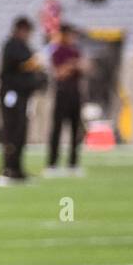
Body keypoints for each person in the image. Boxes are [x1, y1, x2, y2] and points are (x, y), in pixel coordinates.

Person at [0, 16, 44, 186]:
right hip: (12, 96)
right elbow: (25, 64)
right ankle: (8, 169)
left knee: (21, 132)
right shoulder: (12, 46)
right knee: (12, 131)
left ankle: (17, 169)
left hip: (22, 96)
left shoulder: (23, 46)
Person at [46, 25, 87, 176]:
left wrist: (79, 66)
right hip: (62, 94)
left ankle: (73, 163)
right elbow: (58, 74)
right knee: (57, 129)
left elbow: (85, 68)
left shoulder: (75, 50)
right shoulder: (58, 51)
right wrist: (71, 66)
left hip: (75, 94)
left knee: (76, 130)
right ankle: (52, 163)